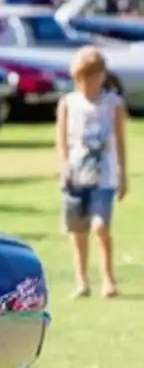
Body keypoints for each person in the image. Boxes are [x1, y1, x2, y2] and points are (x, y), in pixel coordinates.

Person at [57, 46, 129, 299]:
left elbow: (120, 141)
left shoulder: (113, 104)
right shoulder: (68, 103)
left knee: (100, 227)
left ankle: (108, 278)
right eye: (83, 79)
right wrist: (62, 167)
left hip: (104, 177)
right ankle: (81, 280)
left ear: (102, 76)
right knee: (77, 231)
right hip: (75, 176)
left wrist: (122, 173)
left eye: (94, 78)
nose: (88, 84)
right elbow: (62, 140)